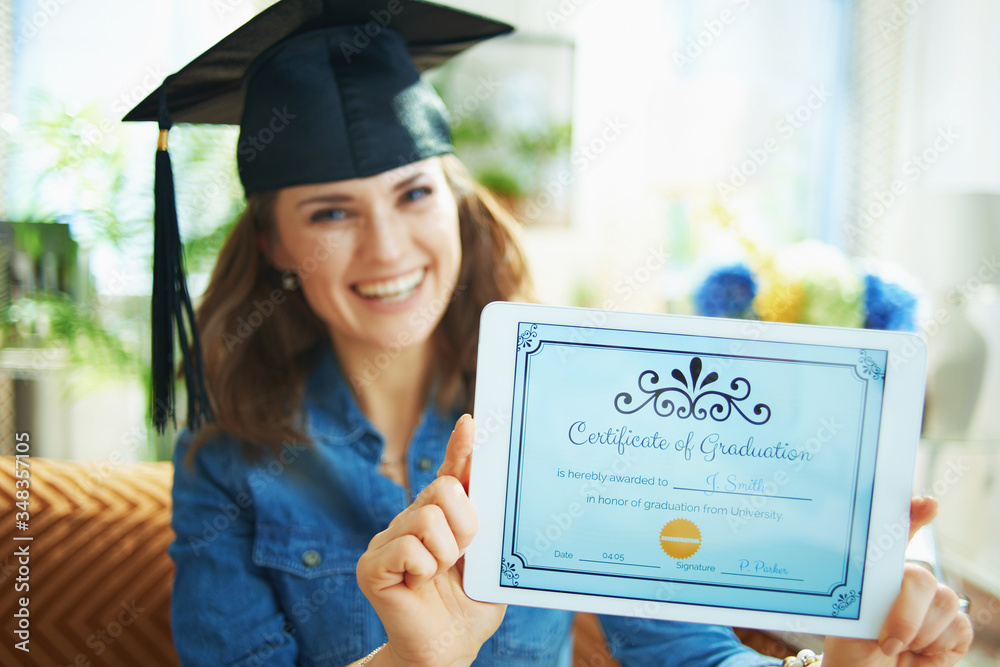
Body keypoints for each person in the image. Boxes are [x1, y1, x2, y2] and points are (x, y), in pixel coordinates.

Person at [126, 2, 975, 665]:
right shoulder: (228, 456)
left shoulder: (580, 407)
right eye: (331, 211)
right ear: (274, 243)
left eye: (414, 193)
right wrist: (418, 660)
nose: (387, 248)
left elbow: (683, 648)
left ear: (455, 203)